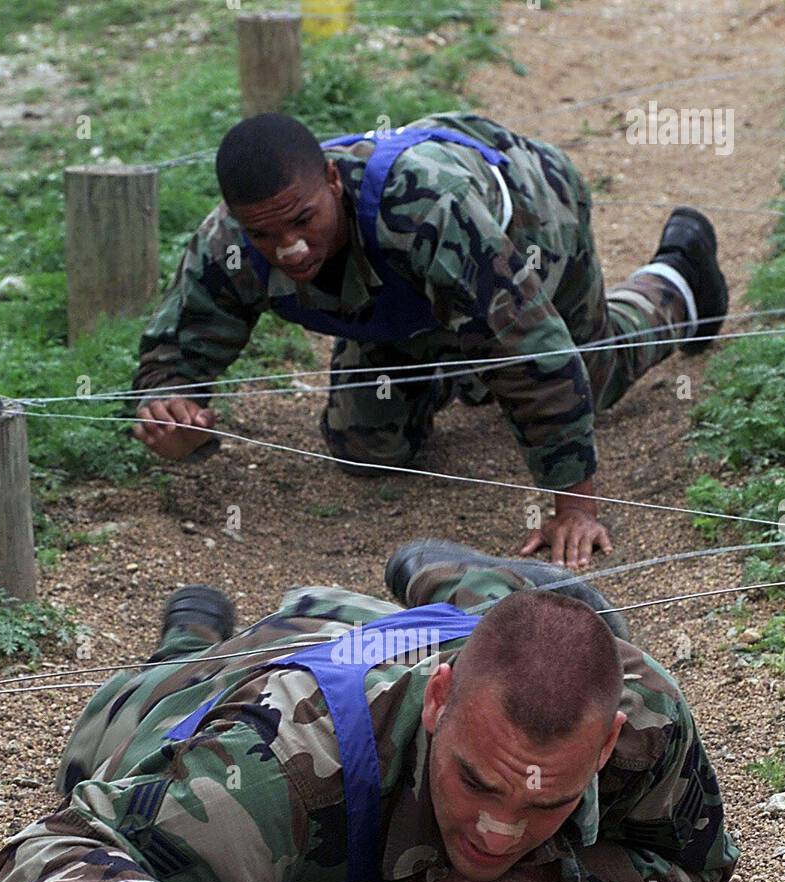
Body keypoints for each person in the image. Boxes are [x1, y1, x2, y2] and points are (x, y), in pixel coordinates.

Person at [0, 543, 738, 882]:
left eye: (548, 803)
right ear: (439, 703)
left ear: (605, 747)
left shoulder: (645, 717)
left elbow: (697, 867)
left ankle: (455, 576)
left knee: (527, 624)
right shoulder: (265, 777)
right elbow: (34, 866)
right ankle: (190, 630)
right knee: (175, 669)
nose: (500, 830)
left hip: (384, 631)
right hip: (190, 696)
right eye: (476, 783)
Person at [130, 110, 727, 569]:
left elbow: (532, 352)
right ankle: (461, 355)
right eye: (265, 234)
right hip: (407, 289)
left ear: (332, 182)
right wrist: (175, 413)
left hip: (533, 210)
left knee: (586, 378)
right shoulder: (230, 241)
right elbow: (173, 351)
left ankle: (677, 280)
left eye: (303, 221)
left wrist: (572, 505)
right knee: (366, 445)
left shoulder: (428, 208)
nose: (289, 248)